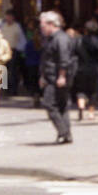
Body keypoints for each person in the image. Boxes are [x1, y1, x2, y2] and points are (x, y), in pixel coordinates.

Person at [38, 11, 76, 144]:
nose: (41, 29)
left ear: (51, 24)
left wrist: (62, 76)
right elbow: (46, 59)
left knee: (49, 103)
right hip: (51, 75)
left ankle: (63, 132)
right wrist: (43, 76)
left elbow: (63, 59)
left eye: (43, 26)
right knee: (62, 105)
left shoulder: (61, 39)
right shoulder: (51, 39)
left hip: (57, 77)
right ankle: (66, 134)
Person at [73, 20, 98, 121]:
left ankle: (81, 105)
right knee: (92, 91)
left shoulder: (78, 40)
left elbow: (74, 53)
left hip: (80, 68)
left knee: (81, 89)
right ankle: (91, 113)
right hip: (94, 68)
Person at [0, 10, 27, 96]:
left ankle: (13, 90)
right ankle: (3, 88)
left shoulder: (17, 26)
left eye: (10, 16)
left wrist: (19, 49)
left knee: (13, 71)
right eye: (7, 16)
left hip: (13, 50)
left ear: (13, 17)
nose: (8, 18)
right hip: (2, 51)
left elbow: (22, 39)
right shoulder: (2, 26)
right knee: (2, 69)